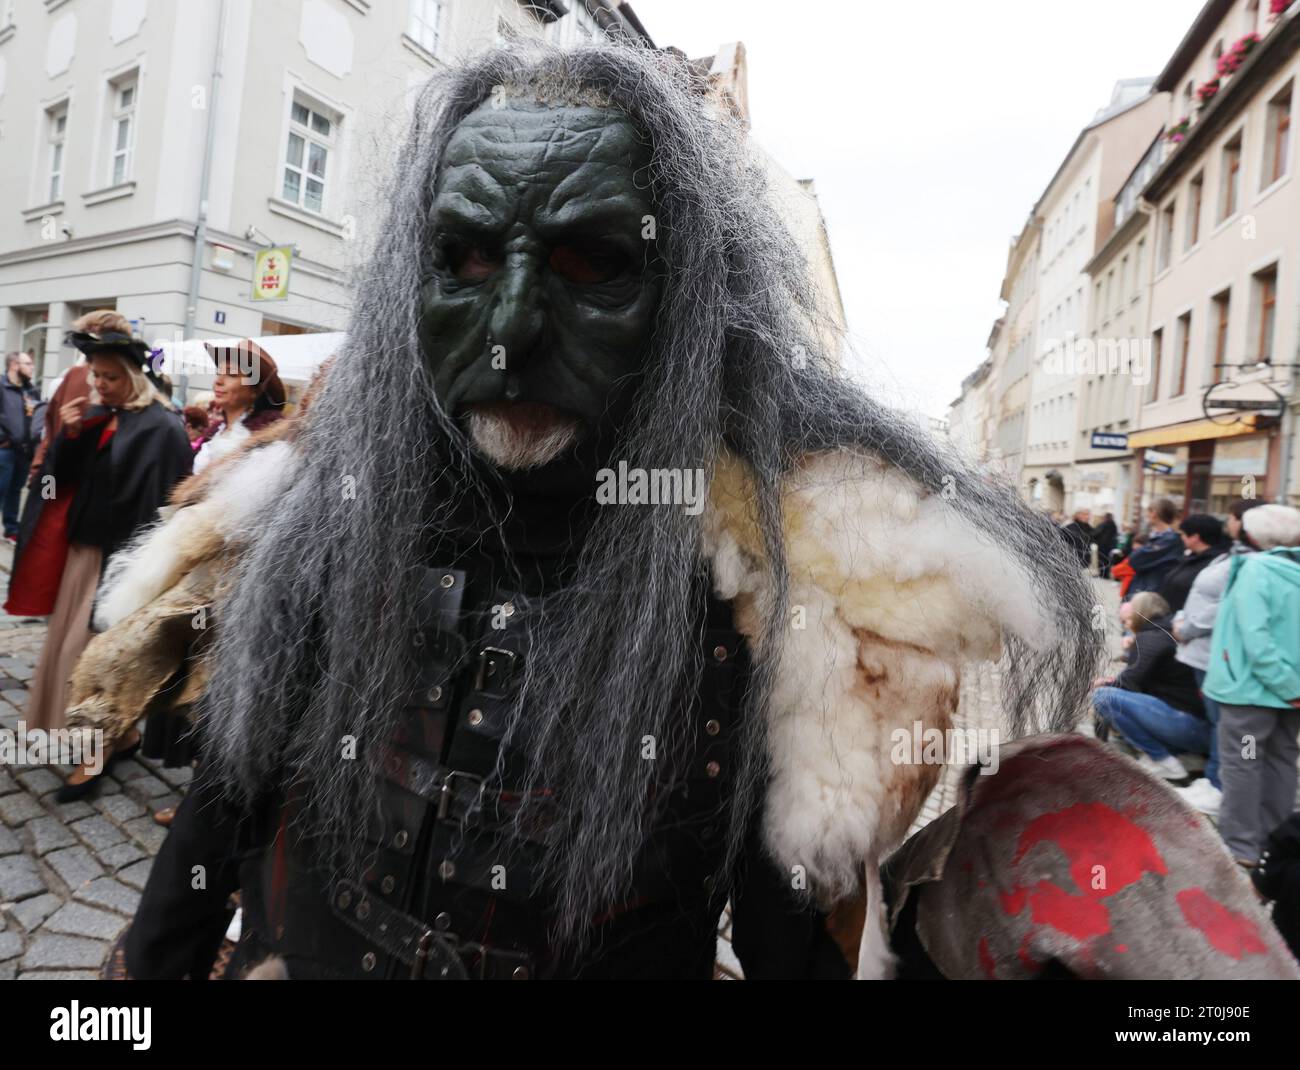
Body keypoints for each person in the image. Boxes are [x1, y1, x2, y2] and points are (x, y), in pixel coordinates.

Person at [117, 44, 1116, 982]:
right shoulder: (324, 519)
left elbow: (793, 939)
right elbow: (224, 803)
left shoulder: (775, 605)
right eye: (464, 257)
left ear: (686, 307)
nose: (510, 328)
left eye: (590, 264)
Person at [18, 315, 192, 799]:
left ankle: (96, 756)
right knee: (71, 650)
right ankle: (122, 738)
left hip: (119, 566)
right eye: (95, 375)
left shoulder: (161, 427)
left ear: (134, 376)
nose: (99, 385)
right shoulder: (101, 417)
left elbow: (163, 509)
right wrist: (69, 438)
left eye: (109, 377)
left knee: (100, 660)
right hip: (83, 556)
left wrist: (140, 576)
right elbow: (58, 486)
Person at [1204, 504, 1300, 870]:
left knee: (1244, 764)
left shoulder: (1255, 570)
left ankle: (1241, 845)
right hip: (1289, 694)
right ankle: (1275, 842)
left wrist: (1284, 684)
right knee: (1281, 762)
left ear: (1254, 536)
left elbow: (1256, 639)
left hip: (1251, 693)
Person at [1170, 499, 1263, 816]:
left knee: (1226, 725)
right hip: (1203, 650)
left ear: (1244, 522)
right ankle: (1212, 779)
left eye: (1233, 517)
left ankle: (1220, 787)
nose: (1228, 522)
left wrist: (1190, 627)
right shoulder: (1233, 553)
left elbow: (1229, 604)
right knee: (1216, 721)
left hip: (1215, 652)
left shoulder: (1251, 561)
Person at [1092, 591, 1208, 782]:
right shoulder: (1171, 630)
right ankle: (1178, 756)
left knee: (1103, 697)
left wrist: (1100, 683)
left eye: (1127, 622)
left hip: (1186, 726)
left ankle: (1164, 761)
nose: (1126, 627)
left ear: (1140, 615)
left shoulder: (1149, 638)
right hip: (1201, 725)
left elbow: (1128, 683)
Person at [190, 340, 285, 474]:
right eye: (219, 373)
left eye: (232, 374)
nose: (218, 381)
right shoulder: (214, 432)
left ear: (255, 390)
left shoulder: (268, 439)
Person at [0, 351, 39, 541]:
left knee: (15, 490)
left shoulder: (30, 390)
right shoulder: (1, 385)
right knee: (1, 488)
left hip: (24, 451)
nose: (32, 367)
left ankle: (11, 528)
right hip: (4, 449)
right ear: (14, 365)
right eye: (28, 363)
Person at [1159, 512, 1228, 613]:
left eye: (1183, 534)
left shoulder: (1215, 565)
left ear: (1195, 537)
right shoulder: (1191, 558)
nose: (1181, 537)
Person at [1124, 498, 1184, 598]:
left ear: (1154, 513)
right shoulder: (1156, 537)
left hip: (1150, 595)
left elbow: (1135, 559)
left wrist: (1140, 551)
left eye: (1148, 511)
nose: (1147, 515)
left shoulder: (1170, 540)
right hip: (1143, 591)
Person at [1092, 510, 1118, 577]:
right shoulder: (1114, 525)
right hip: (1110, 546)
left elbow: (1096, 533)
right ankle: (1106, 574)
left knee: (1101, 559)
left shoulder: (1103, 524)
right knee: (1107, 559)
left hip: (1102, 545)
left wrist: (1093, 538)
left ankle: (1101, 573)